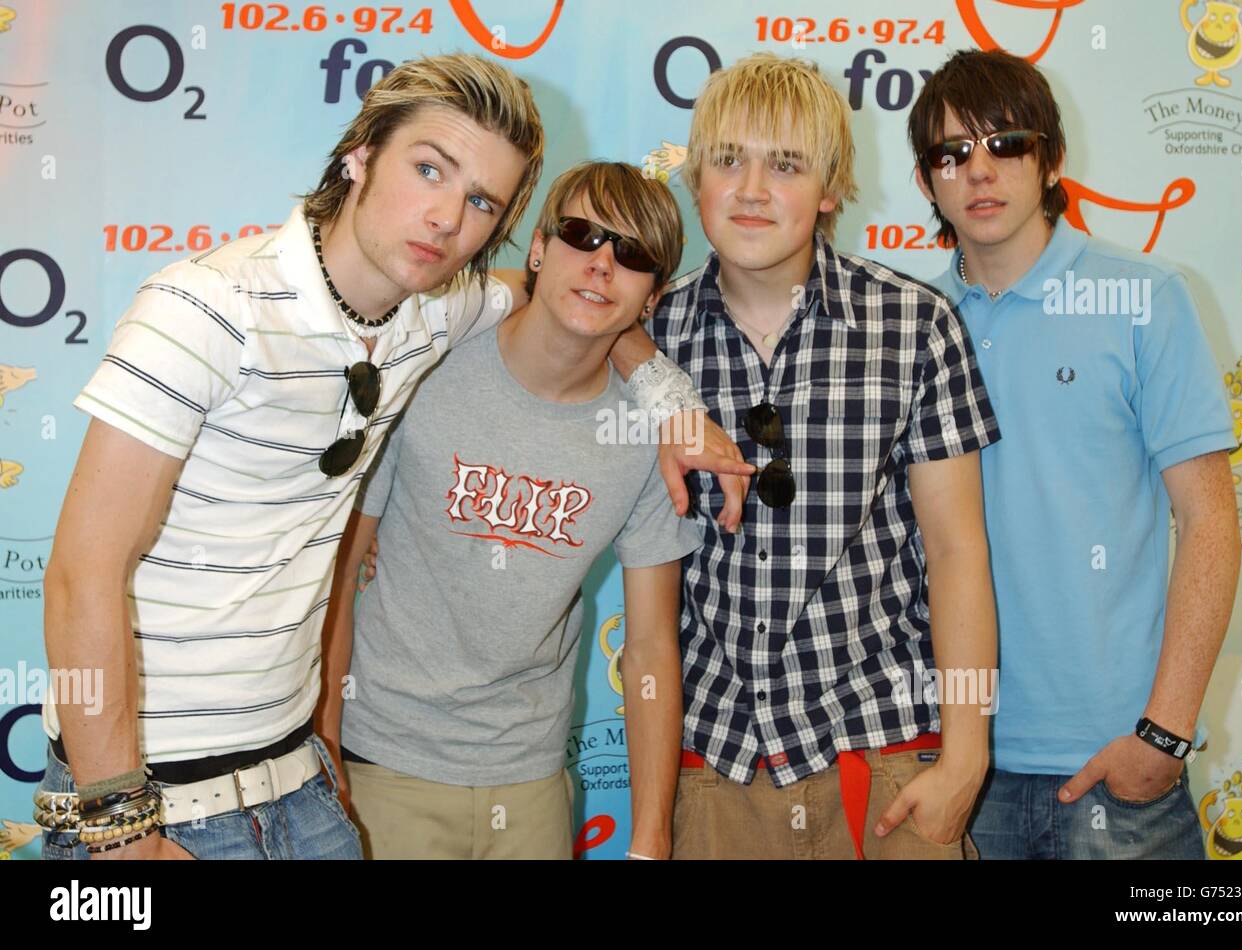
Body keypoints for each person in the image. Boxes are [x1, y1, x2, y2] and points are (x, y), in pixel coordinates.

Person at [36, 54, 741, 861]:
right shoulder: (202, 308)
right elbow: (79, 574)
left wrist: (662, 391)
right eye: (429, 169)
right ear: (360, 154)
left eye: (480, 201)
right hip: (147, 801)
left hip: (298, 784)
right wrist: (120, 834)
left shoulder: (430, 318)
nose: (446, 216)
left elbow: (586, 296)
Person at [614, 52, 1001, 860]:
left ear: (829, 190)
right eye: (729, 160)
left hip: (889, 756)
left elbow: (957, 551)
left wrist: (967, 752)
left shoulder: (915, 325)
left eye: (785, 164)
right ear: (694, 180)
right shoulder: (648, 333)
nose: (753, 189)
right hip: (713, 766)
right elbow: (524, 290)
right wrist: (631, 352)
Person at [909, 48, 1241, 859]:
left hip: (1117, 771)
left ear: (1051, 158)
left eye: (1006, 144)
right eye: (953, 153)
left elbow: (1209, 519)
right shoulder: (911, 323)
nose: (979, 171)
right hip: (956, 764)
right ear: (927, 182)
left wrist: (1162, 735)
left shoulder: (1144, 297)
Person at [319, 162, 701, 860]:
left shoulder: (649, 434)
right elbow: (339, 574)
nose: (601, 264)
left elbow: (649, 648)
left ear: (654, 295)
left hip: (531, 788)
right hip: (382, 765)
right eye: (582, 235)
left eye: (633, 254)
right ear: (537, 247)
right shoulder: (430, 363)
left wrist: (649, 841)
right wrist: (325, 759)